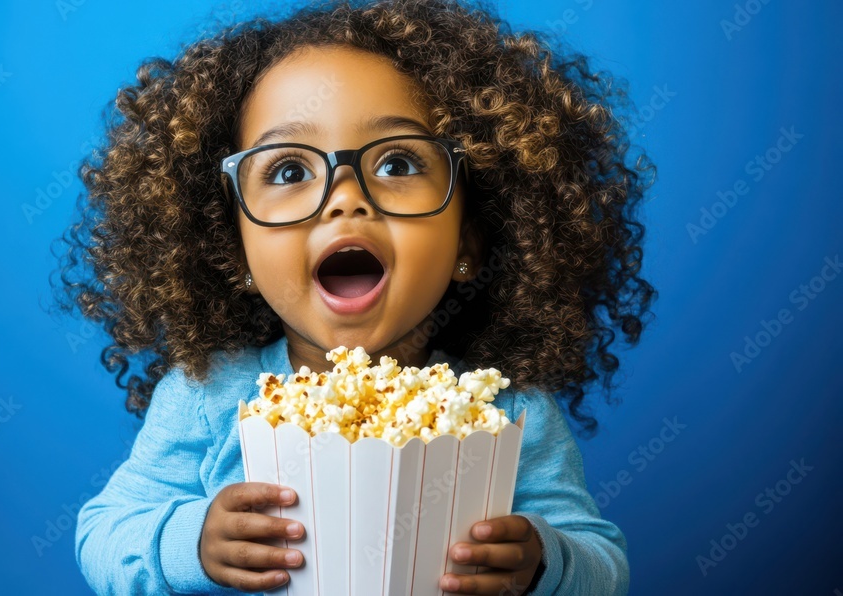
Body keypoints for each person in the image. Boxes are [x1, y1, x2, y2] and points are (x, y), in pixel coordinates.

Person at [58, 0, 657, 593]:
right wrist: (191, 542)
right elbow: (107, 532)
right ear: (233, 250)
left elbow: (603, 565)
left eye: (398, 162)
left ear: (469, 239)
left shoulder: (508, 411)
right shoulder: (206, 397)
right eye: (289, 172)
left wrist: (544, 562)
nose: (347, 199)